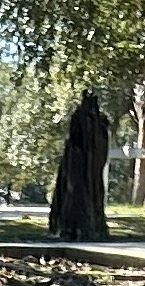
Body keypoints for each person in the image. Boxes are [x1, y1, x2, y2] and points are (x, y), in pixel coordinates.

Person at [48, 95, 113, 243]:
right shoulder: (78, 137)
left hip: (84, 175)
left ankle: (75, 228)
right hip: (77, 173)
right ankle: (70, 228)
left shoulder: (97, 127)